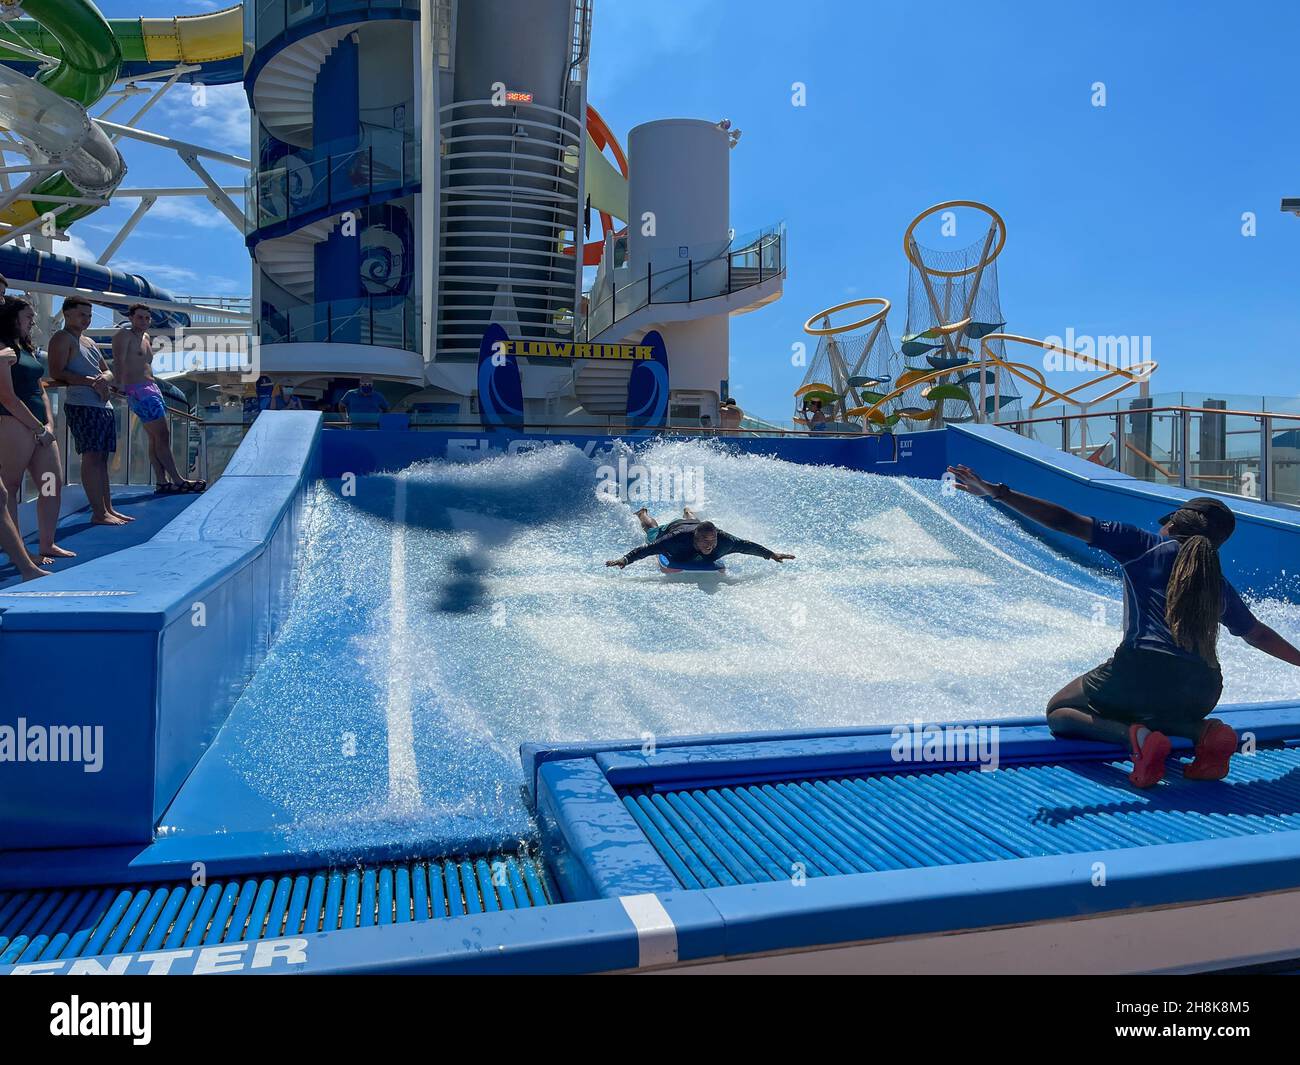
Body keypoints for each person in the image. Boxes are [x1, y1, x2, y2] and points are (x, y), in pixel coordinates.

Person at [949, 464, 1300, 788]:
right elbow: (1257, 634)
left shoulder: (1143, 546)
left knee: (1059, 711)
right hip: (1204, 689)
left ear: (1174, 525)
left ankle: (1139, 740)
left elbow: (1064, 521)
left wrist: (1000, 493)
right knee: (1155, 705)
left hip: (1140, 670)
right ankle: (1204, 732)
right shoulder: (1218, 583)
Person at [0, 297, 72, 567]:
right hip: (13, 425)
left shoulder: (25, 347)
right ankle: (18, 551)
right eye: (28, 317)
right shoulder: (4, 349)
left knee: (51, 483)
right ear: (13, 318)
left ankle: (47, 542)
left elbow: (40, 388)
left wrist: (49, 425)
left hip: (41, 429)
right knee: (12, 485)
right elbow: (7, 397)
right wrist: (37, 427)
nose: (33, 321)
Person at [48, 297, 132, 526]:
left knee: (102, 458)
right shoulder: (62, 338)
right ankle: (98, 512)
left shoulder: (89, 342)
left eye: (89, 315)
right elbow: (56, 372)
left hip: (102, 405)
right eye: (82, 314)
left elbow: (108, 371)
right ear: (66, 314)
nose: (87, 319)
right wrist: (88, 381)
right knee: (92, 457)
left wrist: (104, 379)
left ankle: (108, 508)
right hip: (82, 404)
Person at [111, 304, 204, 494]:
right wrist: (120, 385)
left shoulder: (145, 337)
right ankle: (178, 479)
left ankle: (162, 482)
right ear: (130, 318)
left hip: (152, 389)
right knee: (162, 436)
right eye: (139, 317)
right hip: (138, 390)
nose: (143, 321)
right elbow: (118, 360)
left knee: (155, 439)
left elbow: (145, 363)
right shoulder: (123, 336)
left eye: (147, 318)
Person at [606, 507, 795, 570]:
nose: (711, 546)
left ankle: (690, 513)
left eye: (712, 542)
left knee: (698, 522)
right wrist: (625, 560)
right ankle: (642, 513)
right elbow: (647, 550)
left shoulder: (723, 541)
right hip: (676, 527)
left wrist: (772, 554)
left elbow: (747, 546)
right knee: (650, 531)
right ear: (695, 540)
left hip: (697, 525)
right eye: (706, 542)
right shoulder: (676, 540)